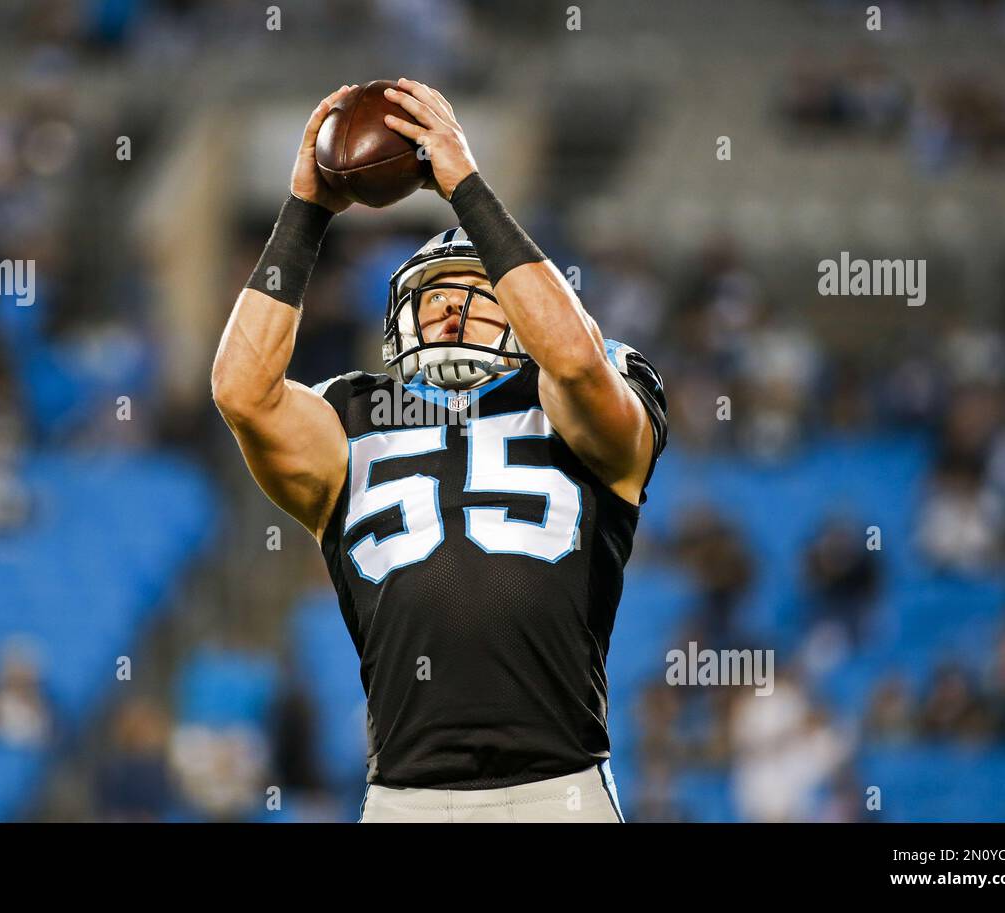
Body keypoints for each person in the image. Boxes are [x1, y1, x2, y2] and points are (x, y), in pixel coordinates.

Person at [213, 80, 667, 822]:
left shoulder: (581, 394)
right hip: (404, 799)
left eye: (475, 289)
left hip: (560, 790)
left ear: (521, 311)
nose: (450, 306)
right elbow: (240, 390)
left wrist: (467, 188)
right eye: (432, 295)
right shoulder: (351, 413)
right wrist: (306, 210)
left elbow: (577, 364)